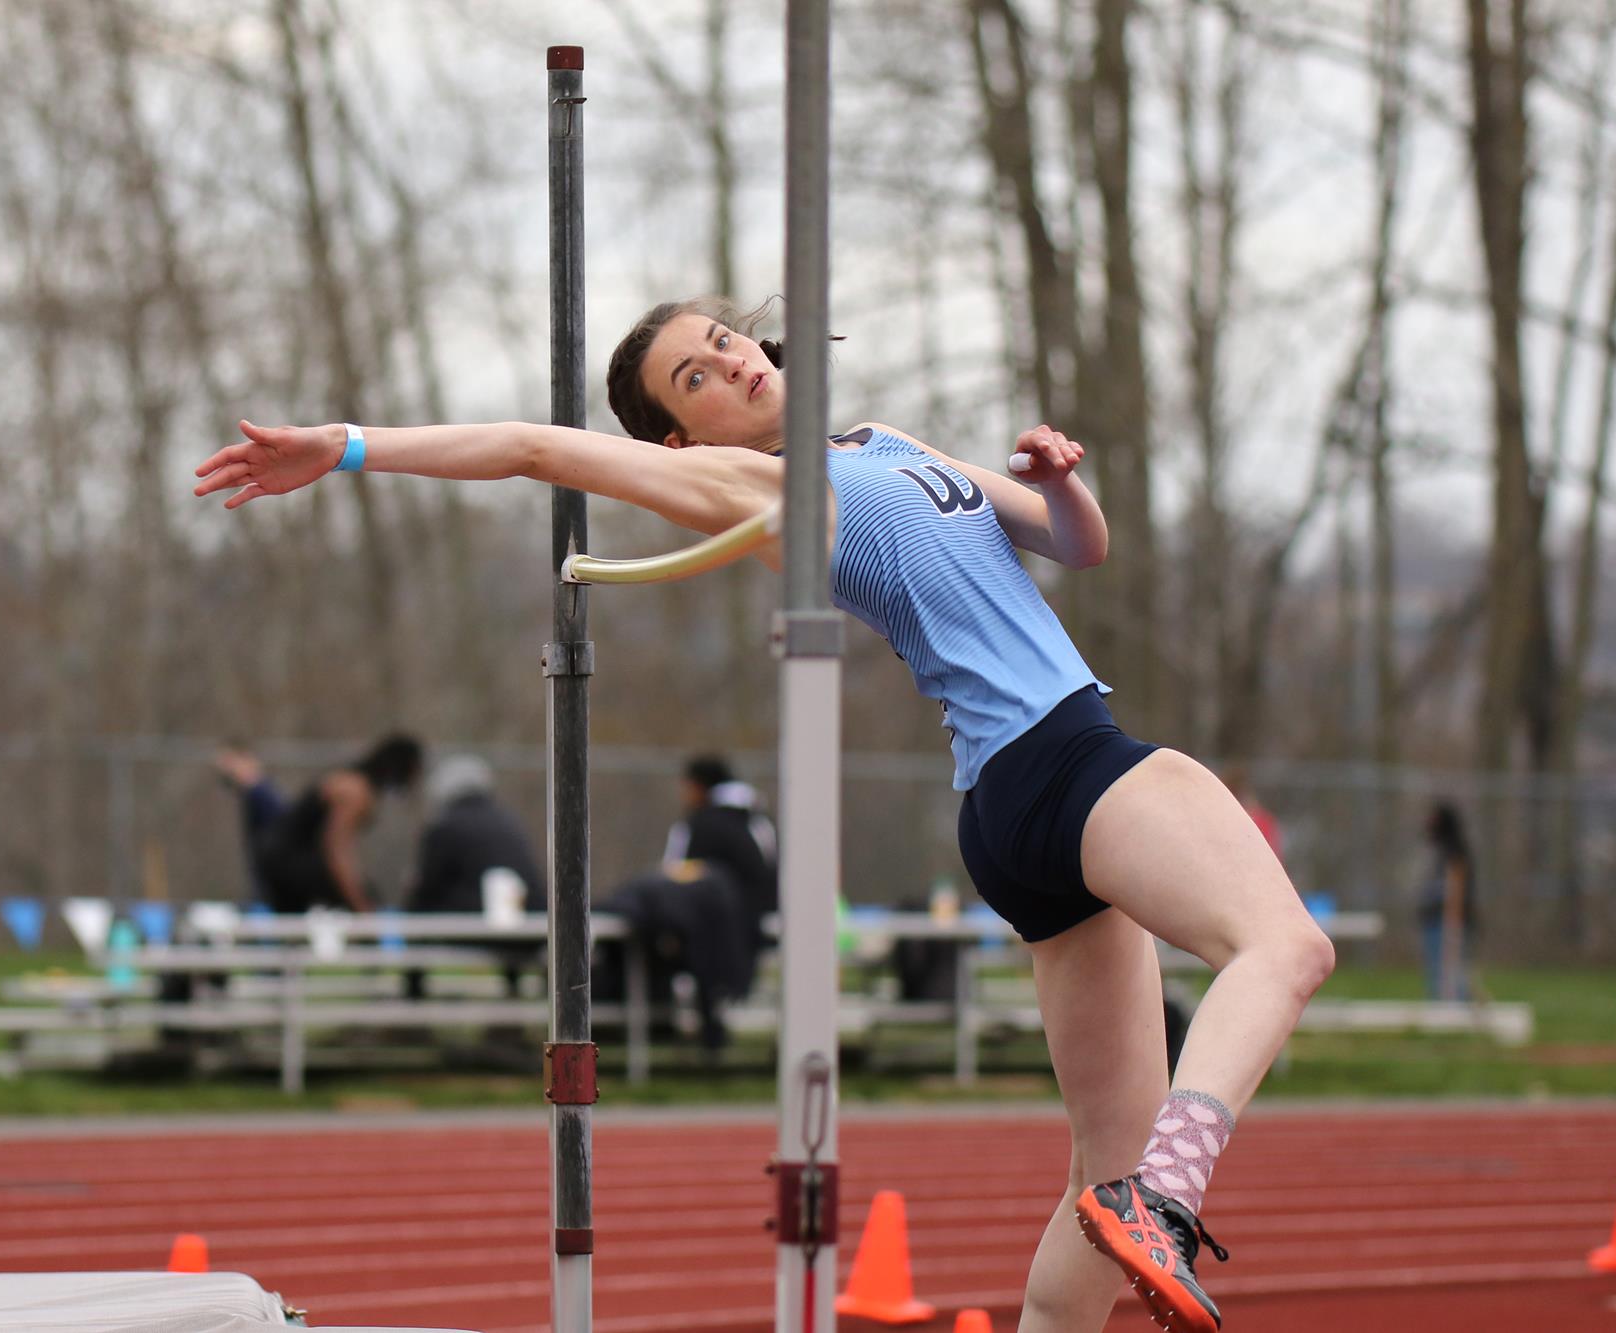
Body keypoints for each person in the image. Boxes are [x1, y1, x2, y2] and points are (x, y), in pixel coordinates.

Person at [193, 296, 1335, 1333]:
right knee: (1284, 944)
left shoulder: (882, 443)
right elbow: (531, 448)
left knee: (1100, 1161)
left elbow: (1069, 540)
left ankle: (1135, 1200)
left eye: (721, 341)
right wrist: (341, 447)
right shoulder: (764, 489)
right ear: (680, 439)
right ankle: (1169, 1200)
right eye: (692, 376)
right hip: (1062, 754)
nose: (727, 364)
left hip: (1009, 812)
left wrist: (1058, 474)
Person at [216, 735, 422, 914]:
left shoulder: (351, 782)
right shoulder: (356, 792)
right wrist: (360, 903)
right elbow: (335, 849)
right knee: (364, 897)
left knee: (295, 931)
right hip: (287, 862)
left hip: (281, 859)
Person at [662, 754, 777, 952]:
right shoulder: (758, 822)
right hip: (755, 927)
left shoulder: (693, 825)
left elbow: (673, 872)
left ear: (698, 786)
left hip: (703, 930)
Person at [405, 754, 544, 915]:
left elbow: (425, 889)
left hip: (480, 923)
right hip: (532, 917)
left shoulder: (446, 827)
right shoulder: (509, 820)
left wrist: (407, 924)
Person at [1416, 801, 1475, 1002]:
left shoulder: (1454, 852)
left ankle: (1452, 1013)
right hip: (1434, 921)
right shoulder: (1438, 851)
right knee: (1438, 972)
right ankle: (1443, 1009)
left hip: (1447, 923)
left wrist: (1452, 925)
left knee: (1450, 973)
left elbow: (1456, 892)